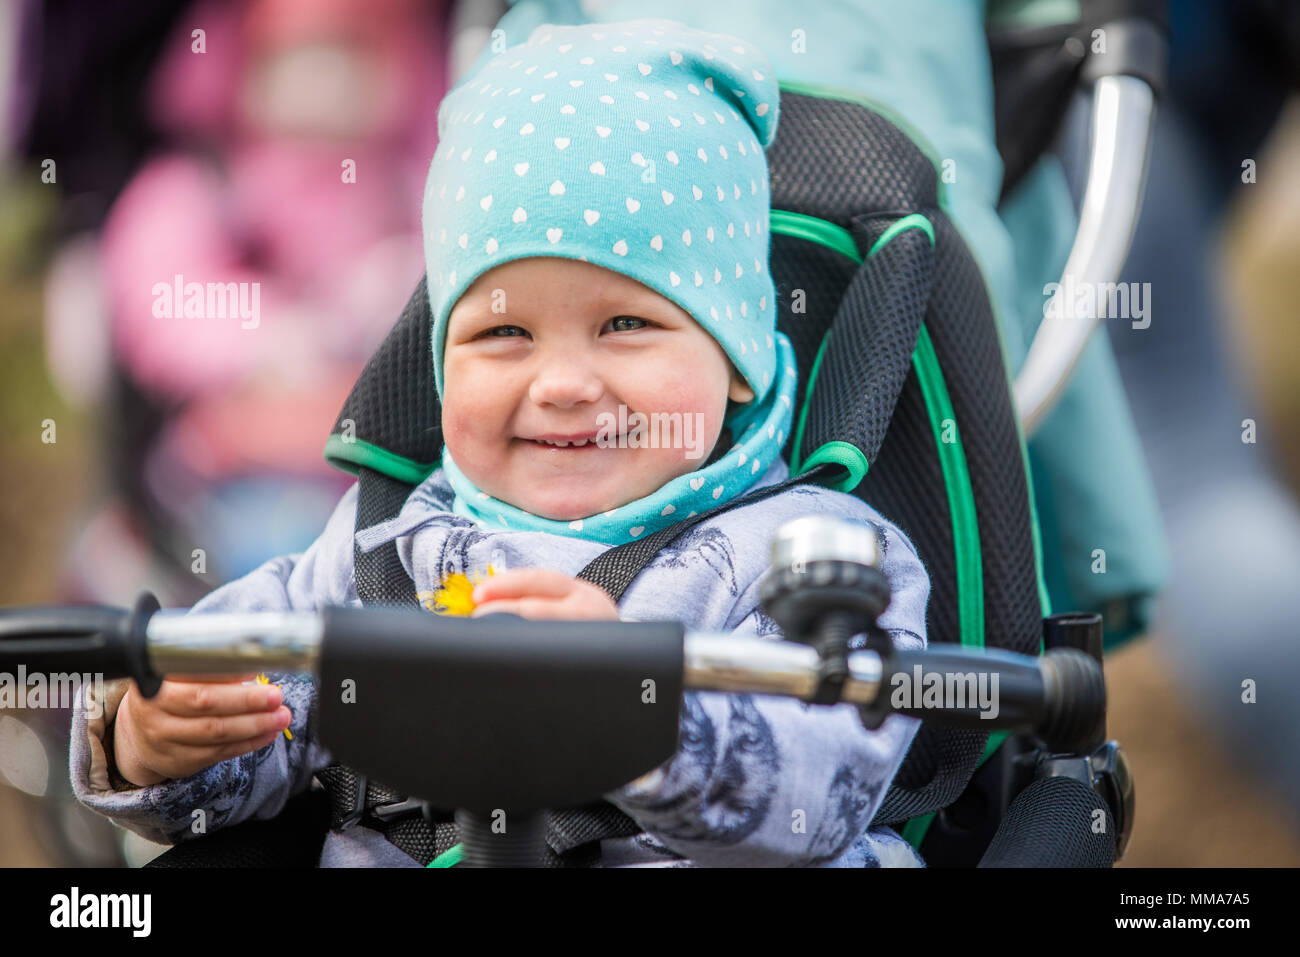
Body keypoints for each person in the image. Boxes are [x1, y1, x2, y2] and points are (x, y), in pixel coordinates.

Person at [71, 18, 932, 868]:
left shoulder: (813, 559)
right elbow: (246, 706)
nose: (560, 384)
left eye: (627, 323)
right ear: (442, 367)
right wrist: (152, 739)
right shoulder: (381, 548)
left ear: (740, 355)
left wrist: (638, 711)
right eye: (504, 334)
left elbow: (821, 795)